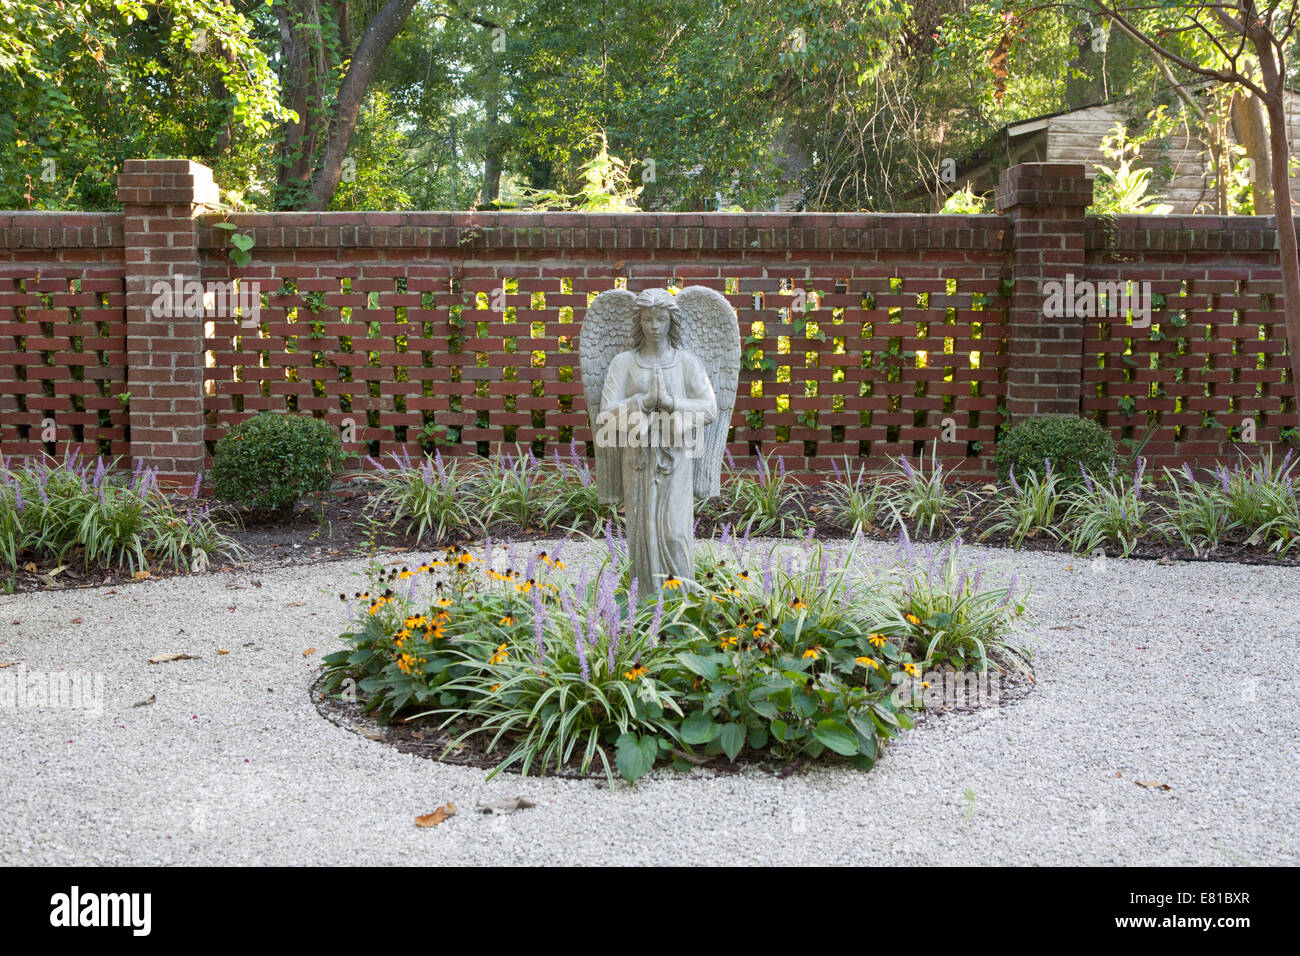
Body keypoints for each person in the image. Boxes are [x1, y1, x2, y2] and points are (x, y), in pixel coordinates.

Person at [597, 288, 717, 595]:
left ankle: (683, 604)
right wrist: (642, 401)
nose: (654, 325)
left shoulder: (687, 363)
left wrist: (671, 401)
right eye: (647, 319)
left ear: (671, 322)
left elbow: (710, 409)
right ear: (638, 322)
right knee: (642, 534)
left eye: (661, 319)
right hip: (637, 459)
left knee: (675, 533)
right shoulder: (624, 363)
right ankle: (646, 605)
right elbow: (606, 414)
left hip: (675, 458)